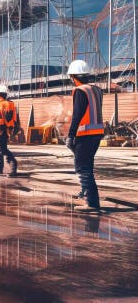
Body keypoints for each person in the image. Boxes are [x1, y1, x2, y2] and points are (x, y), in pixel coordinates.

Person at [66, 59, 104, 211]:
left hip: (85, 133)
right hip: (97, 133)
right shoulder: (96, 90)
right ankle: (87, 193)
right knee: (87, 166)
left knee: (82, 167)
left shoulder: (80, 91)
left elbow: (77, 115)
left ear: (74, 77)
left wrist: (70, 135)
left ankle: (92, 203)